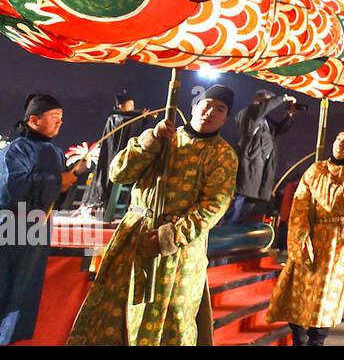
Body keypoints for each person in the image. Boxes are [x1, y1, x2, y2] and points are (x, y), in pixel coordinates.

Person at [68, 85, 238, 346]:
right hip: (134, 237)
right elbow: (118, 173)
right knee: (114, 312)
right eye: (207, 104)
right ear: (194, 107)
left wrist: (168, 237)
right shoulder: (163, 138)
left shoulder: (223, 155)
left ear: (226, 118)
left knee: (172, 320)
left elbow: (213, 206)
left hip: (178, 252)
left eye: (220, 109)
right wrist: (152, 140)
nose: (210, 112)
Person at [265, 124, 344, 346]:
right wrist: (300, 237)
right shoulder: (316, 168)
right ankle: (298, 337)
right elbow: (300, 204)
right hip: (308, 235)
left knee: (324, 294)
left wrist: (321, 175)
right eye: (338, 138)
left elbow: (338, 204)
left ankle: (317, 340)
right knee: (295, 290)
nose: (340, 144)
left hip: (337, 238)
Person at [0, 94, 68, 345]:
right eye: (54, 118)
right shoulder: (15, 150)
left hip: (37, 232)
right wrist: (59, 182)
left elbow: (56, 200)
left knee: (24, 291)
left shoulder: (55, 152)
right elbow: (11, 189)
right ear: (34, 119)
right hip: (12, 229)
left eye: (61, 118)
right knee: (6, 284)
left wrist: (68, 180)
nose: (60, 123)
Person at [228, 90, 299, 223]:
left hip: (259, 170)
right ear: (259, 99)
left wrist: (289, 115)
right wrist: (282, 98)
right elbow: (261, 109)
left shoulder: (264, 120)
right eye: (267, 100)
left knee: (247, 210)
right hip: (248, 167)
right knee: (236, 208)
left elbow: (278, 129)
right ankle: (223, 235)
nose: (269, 103)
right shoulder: (249, 113)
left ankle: (236, 236)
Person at [80, 92, 150, 217]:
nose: (132, 107)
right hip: (112, 154)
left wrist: (142, 118)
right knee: (107, 178)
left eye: (133, 105)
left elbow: (133, 126)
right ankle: (101, 208)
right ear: (121, 106)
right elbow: (125, 123)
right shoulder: (115, 117)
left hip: (123, 151)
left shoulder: (128, 117)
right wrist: (140, 116)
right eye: (130, 105)